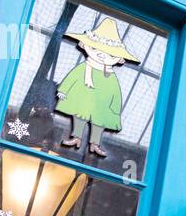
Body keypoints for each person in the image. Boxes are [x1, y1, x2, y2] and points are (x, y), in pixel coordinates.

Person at [56, 17, 139, 157]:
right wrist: (63, 90)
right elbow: (73, 77)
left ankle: (94, 144)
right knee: (79, 116)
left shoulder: (110, 75)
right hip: (83, 100)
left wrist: (115, 107)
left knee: (99, 123)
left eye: (110, 54)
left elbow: (115, 91)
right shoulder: (84, 67)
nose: (101, 55)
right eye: (94, 48)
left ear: (119, 59)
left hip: (101, 106)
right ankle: (76, 137)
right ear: (84, 45)